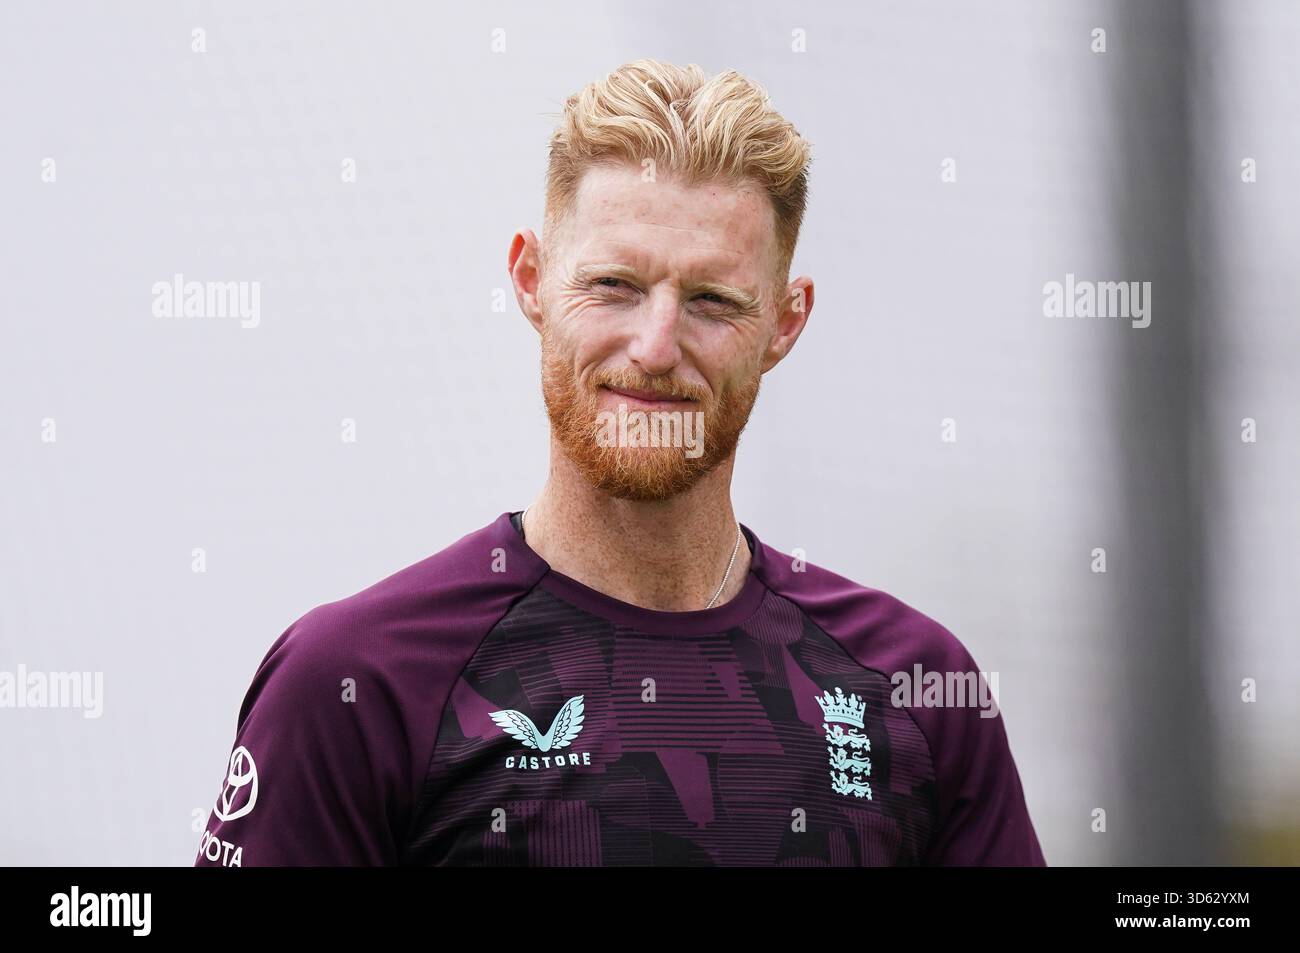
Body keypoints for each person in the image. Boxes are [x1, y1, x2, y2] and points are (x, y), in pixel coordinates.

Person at [194, 58, 1045, 867]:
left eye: (712, 300)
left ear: (786, 324)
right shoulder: (357, 683)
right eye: (613, 287)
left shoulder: (916, 686)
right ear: (531, 280)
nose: (656, 347)